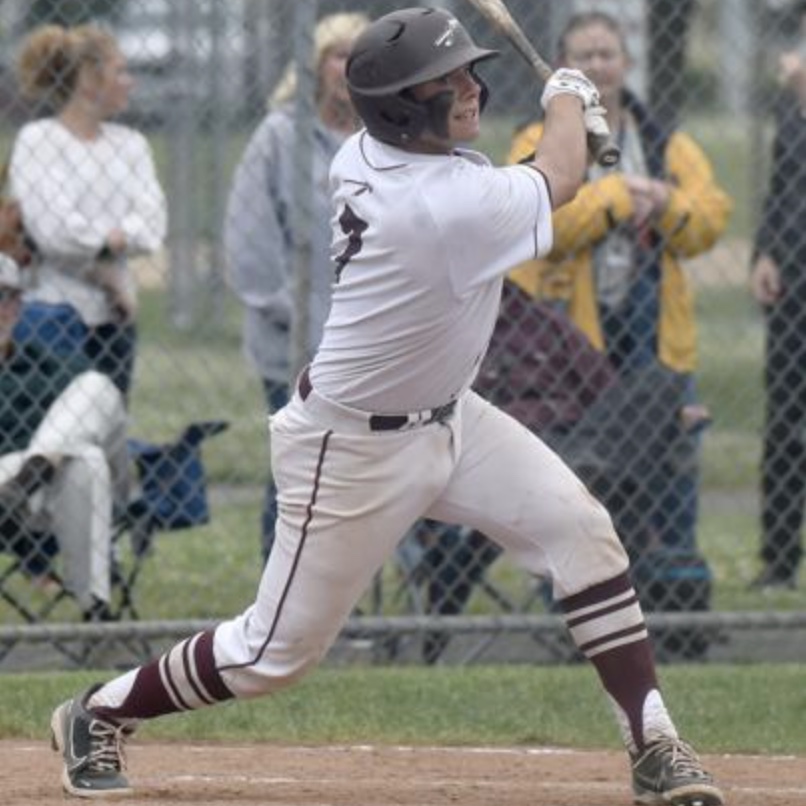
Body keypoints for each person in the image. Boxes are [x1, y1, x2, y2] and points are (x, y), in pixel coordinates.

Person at [49, 9, 723, 805]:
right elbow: (564, 176)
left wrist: (564, 109)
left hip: (450, 415)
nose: (475, 88)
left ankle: (654, 743)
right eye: (452, 83)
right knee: (273, 653)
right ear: (405, 108)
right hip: (352, 449)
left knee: (582, 531)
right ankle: (95, 713)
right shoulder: (439, 204)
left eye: (472, 74)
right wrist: (571, 94)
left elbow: (542, 167)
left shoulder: (370, 151)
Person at [507, 11, 731, 557]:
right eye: (584, 56)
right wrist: (614, 200)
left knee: (672, 459)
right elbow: (536, 223)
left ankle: (671, 579)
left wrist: (666, 204)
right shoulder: (537, 140)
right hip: (573, 340)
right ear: (564, 68)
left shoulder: (661, 141)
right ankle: (581, 587)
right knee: (579, 476)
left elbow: (710, 218)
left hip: (652, 331)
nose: (598, 65)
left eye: (608, 54)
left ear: (626, 63)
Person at [225, 12, 368, 562]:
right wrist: (298, 320)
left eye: (361, 56)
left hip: (371, 344)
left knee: (359, 478)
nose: (348, 67)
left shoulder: (388, 141)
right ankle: (278, 604)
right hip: (295, 344)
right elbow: (249, 240)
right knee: (299, 473)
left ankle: (338, 600)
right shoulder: (280, 136)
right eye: (338, 54)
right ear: (315, 66)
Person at [9, 23, 167, 398]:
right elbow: (53, 232)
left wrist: (104, 245)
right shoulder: (40, 141)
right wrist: (110, 259)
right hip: (54, 313)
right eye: (120, 71)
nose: (130, 81)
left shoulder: (131, 144)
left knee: (109, 423)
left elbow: (151, 225)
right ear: (88, 80)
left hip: (115, 318)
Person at [0, 254, 129, 620]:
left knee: (96, 386)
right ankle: (97, 614)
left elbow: (101, 410)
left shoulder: (53, 364)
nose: (0, 309)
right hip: (6, 497)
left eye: (5, 297)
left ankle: (32, 471)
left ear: (18, 306)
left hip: (78, 489)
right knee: (84, 461)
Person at [749, 3, 806, 590]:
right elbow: (782, 185)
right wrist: (763, 251)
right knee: (785, 424)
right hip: (794, 288)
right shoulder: (795, 108)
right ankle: (779, 559)